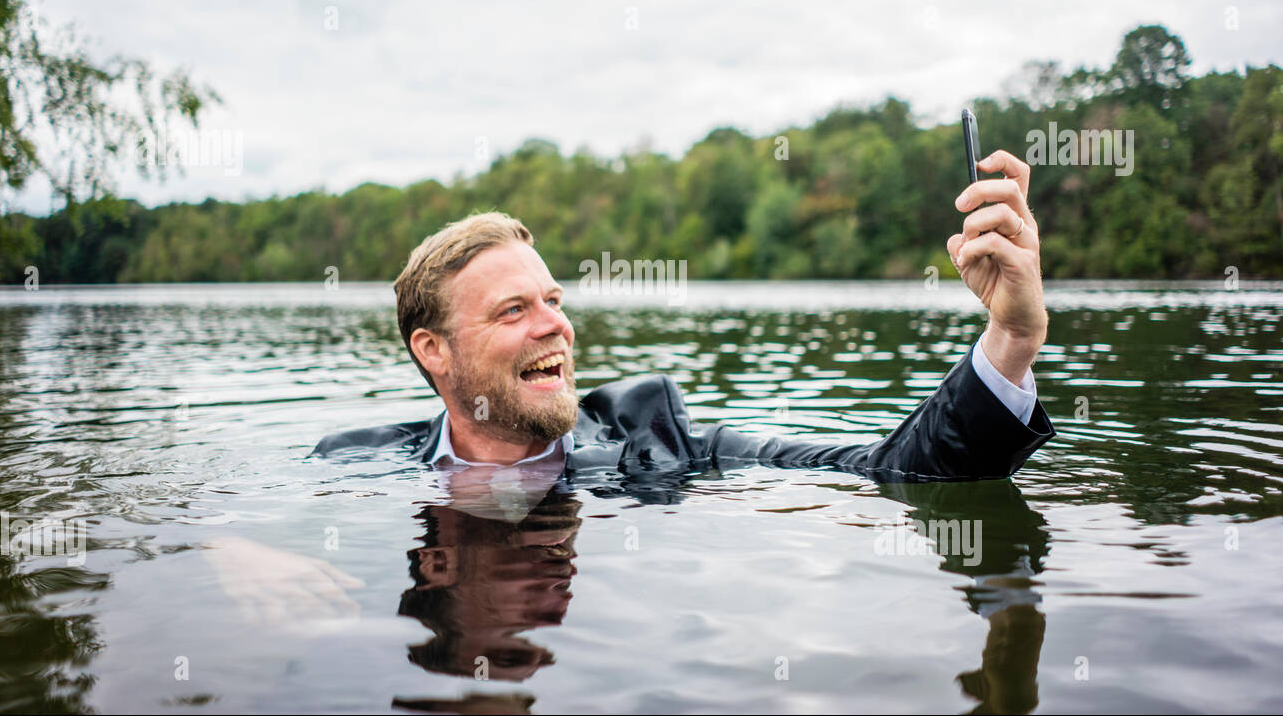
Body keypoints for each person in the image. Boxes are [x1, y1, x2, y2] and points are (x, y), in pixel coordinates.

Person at [312, 149, 1054, 482]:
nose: (554, 327)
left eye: (554, 301)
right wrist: (236, 555)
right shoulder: (352, 463)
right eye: (514, 310)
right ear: (433, 350)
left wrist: (1012, 339)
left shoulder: (658, 437)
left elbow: (891, 471)